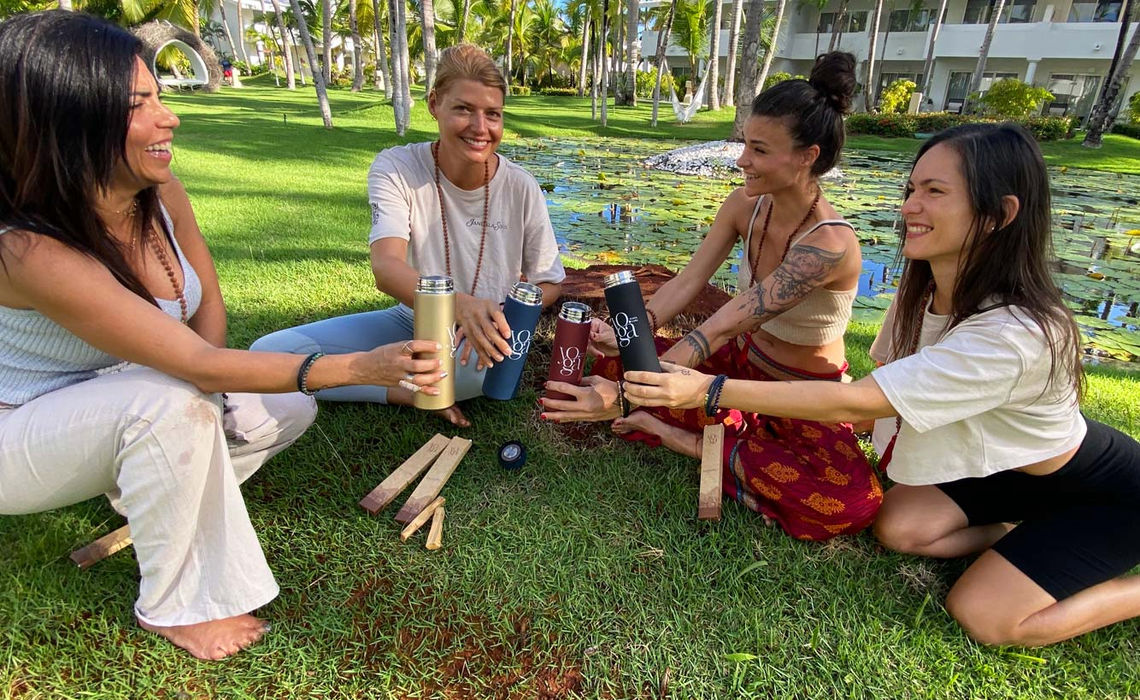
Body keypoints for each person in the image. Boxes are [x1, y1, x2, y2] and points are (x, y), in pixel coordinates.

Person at [0, 11, 444, 661]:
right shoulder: (29, 251)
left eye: (159, 95)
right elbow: (201, 366)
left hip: (109, 392)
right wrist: (361, 367)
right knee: (172, 405)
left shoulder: (155, 186)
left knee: (285, 407)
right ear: (69, 121)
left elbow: (203, 301)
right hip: (18, 429)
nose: (168, 117)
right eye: (138, 105)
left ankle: (143, 491)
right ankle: (179, 606)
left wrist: (219, 390)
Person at [619, 122, 1140, 646]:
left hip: (1104, 492)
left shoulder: (1017, 334)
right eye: (912, 189)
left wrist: (709, 390)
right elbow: (875, 395)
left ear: (999, 215)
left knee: (983, 614)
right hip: (1001, 469)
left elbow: (860, 399)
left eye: (935, 192)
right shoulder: (925, 287)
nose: (911, 206)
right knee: (898, 528)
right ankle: (1019, 531)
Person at [543, 53, 881, 541]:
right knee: (617, 360)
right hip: (738, 363)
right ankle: (731, 435)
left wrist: (625, 396)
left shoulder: (829, 245)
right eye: (746, 144)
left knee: (850, 502)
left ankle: (687, 438)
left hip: (798, 393)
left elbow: (721, 324)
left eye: (760, 150)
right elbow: (687, 282)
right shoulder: (745, 204)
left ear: (807, 156)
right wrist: (630, 335)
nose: (743, 160)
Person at [251, 43, 565, 427]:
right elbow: (386, 268)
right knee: (269, 352)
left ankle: (413, 383)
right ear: (434, 104)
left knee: (474, 376)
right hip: (411, 321)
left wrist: (502, 316)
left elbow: (549, 282)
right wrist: (457, 306)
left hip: (483, 343)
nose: (480, 128)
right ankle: (403, 390)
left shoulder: (521, 186)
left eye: (492, 114)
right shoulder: (397, 167)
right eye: (463, 109)